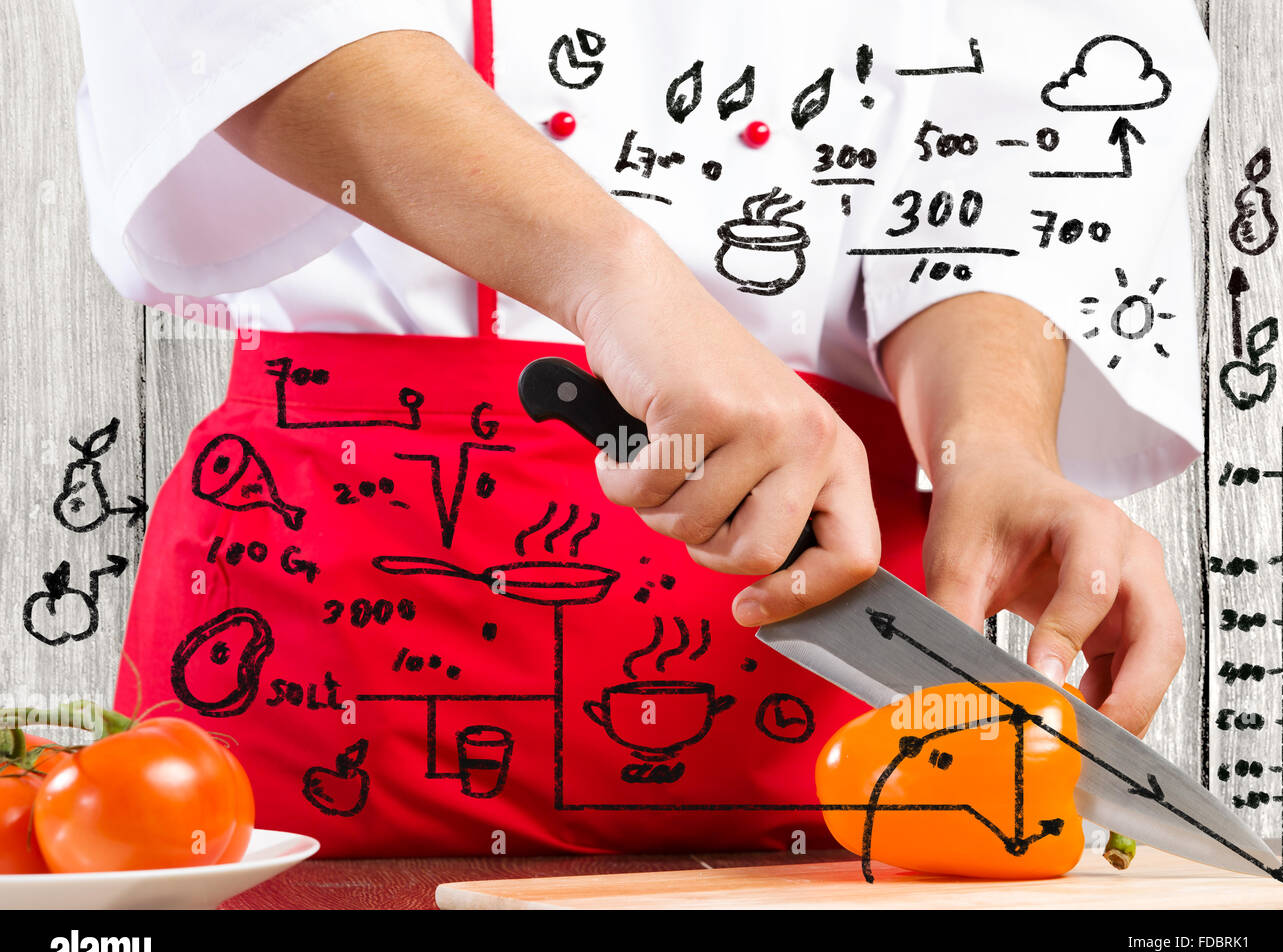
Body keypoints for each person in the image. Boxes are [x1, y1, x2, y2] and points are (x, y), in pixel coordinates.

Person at [70, 0, 1215, 856]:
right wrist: (617, 280)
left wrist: (994, 440)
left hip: (810, 633)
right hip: (338, 635)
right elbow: (248, 25)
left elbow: (1004, 126)